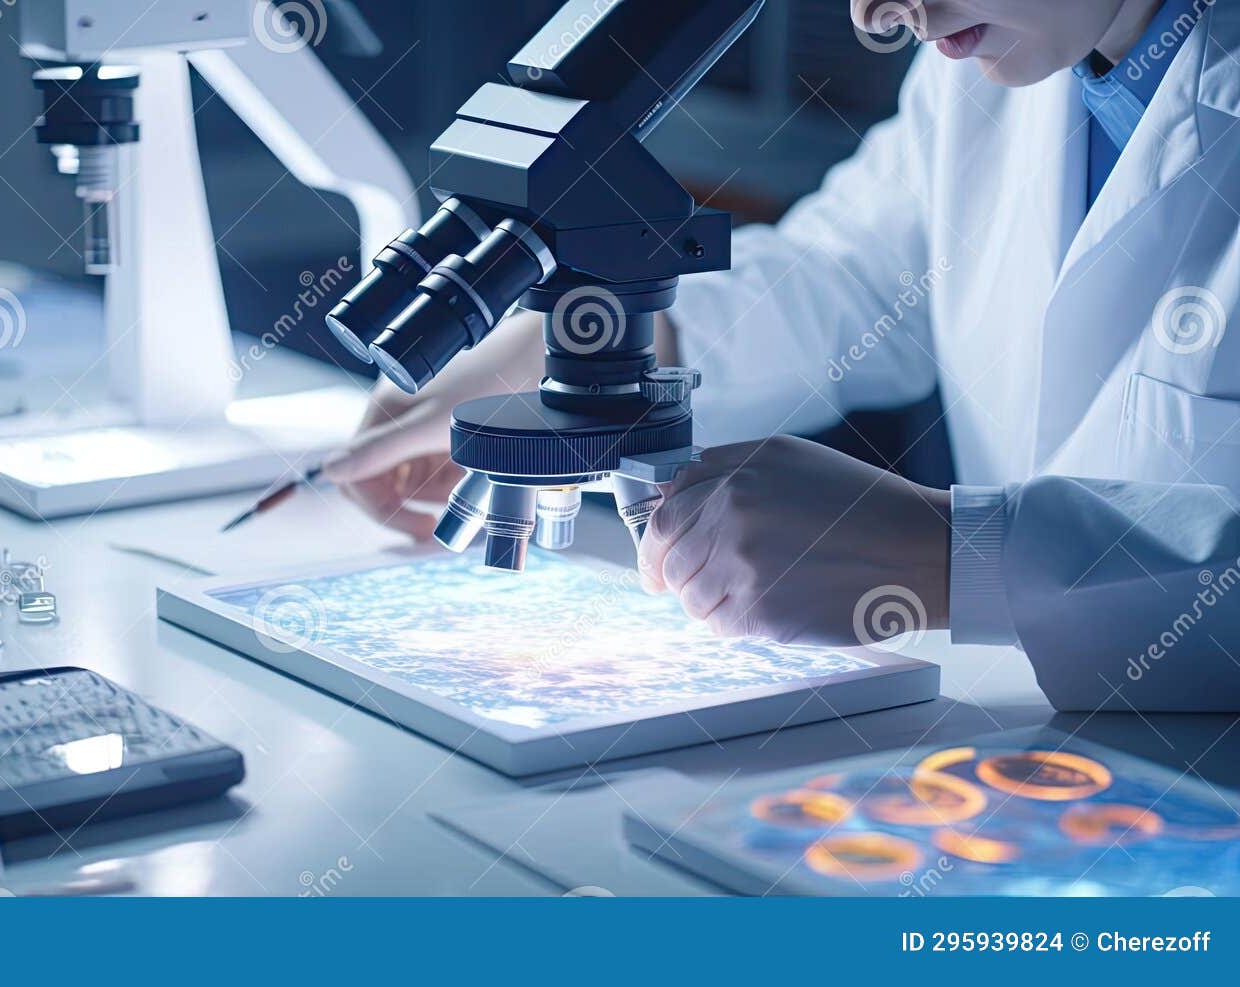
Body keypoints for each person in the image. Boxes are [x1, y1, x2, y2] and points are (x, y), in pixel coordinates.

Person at [323, 0, 1240, 712]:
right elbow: (852, 274)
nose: (873, 16)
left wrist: (957, 559)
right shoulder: (989, 64)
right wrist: (588, 348)